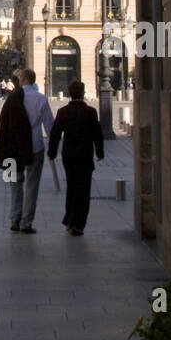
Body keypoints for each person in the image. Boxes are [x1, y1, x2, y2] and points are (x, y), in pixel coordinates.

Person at [48, 79, 104, 236]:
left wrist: (52, 152)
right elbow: (97, 134)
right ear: (83, 92)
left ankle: (69, 220)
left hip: (69, 156)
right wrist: (100, 152)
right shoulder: (90, 112)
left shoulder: (63, 112)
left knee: (71, 187)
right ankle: (78, 224)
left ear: (69, 93)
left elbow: (55, 134)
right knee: (84, 190)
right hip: (85, 156)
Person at [6, 69, 54, 233]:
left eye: (20, 77)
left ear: (24, 79)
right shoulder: (41, 99)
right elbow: (49, 125)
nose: (18, 79)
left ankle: (14, 219)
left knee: (14, 183)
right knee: (32, 184)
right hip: (35, 147)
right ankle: (26, 223)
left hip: (13, 149)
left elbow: (5, 125)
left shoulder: (12, 98)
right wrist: (53, 147)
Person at [0, 80, 33, 219]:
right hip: (16, 153)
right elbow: (21, 134)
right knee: (20, 183)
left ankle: (15, 218)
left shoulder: (10, 104)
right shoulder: (18, 108)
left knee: (13, 183)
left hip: (8, 153)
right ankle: (19, 218)